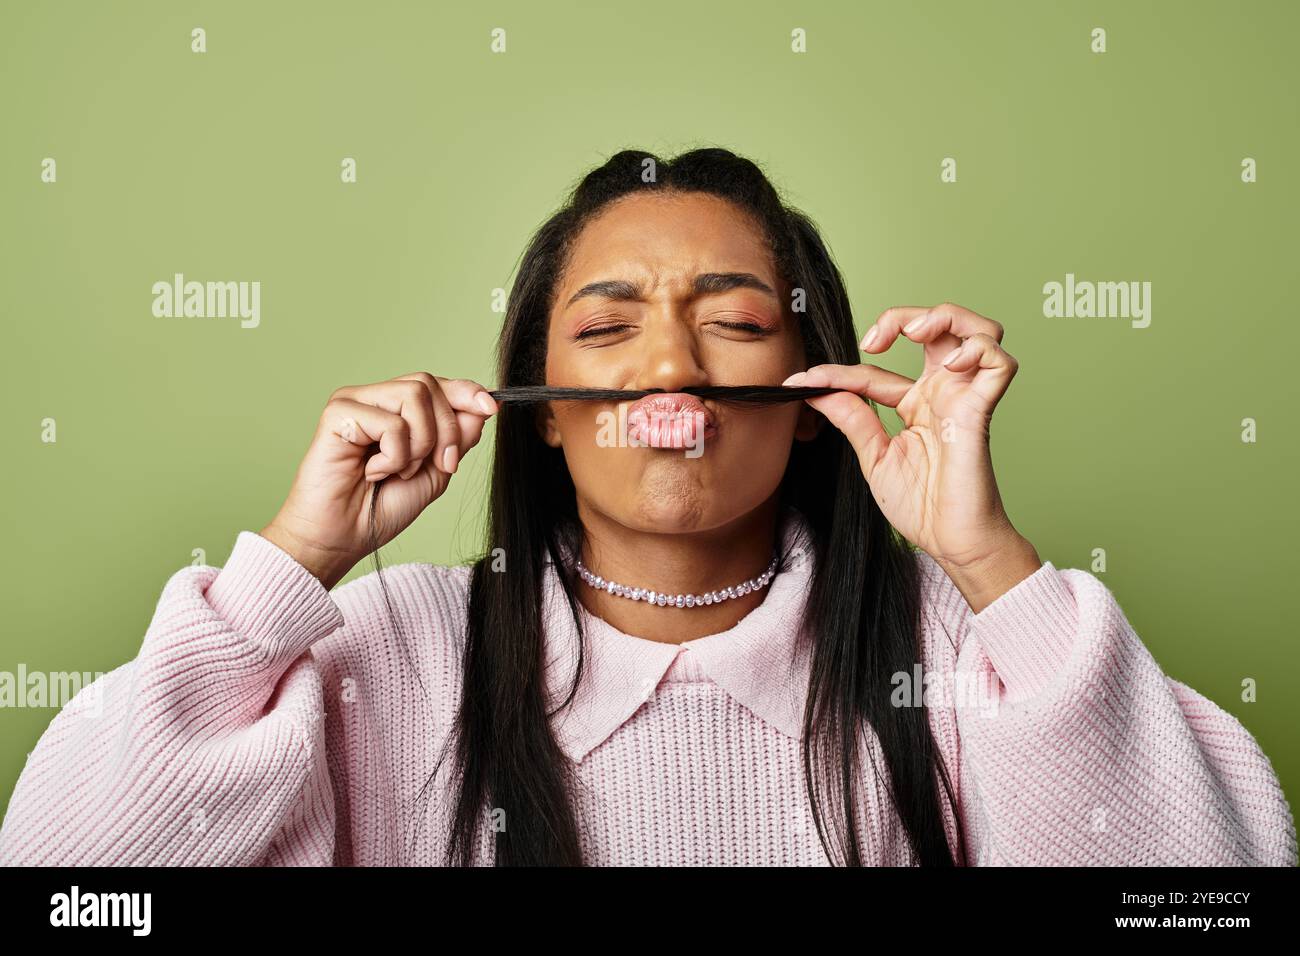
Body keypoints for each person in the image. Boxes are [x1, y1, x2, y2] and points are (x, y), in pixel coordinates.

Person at [1, 148, 1294, 866]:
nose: (672, 362)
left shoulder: (962, 659)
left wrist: (989, 565)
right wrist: (286, 572)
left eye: (734, 322)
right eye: (609, 325)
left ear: (807, 395)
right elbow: (71, 885)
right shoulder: (381, 650)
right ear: (547, 409)